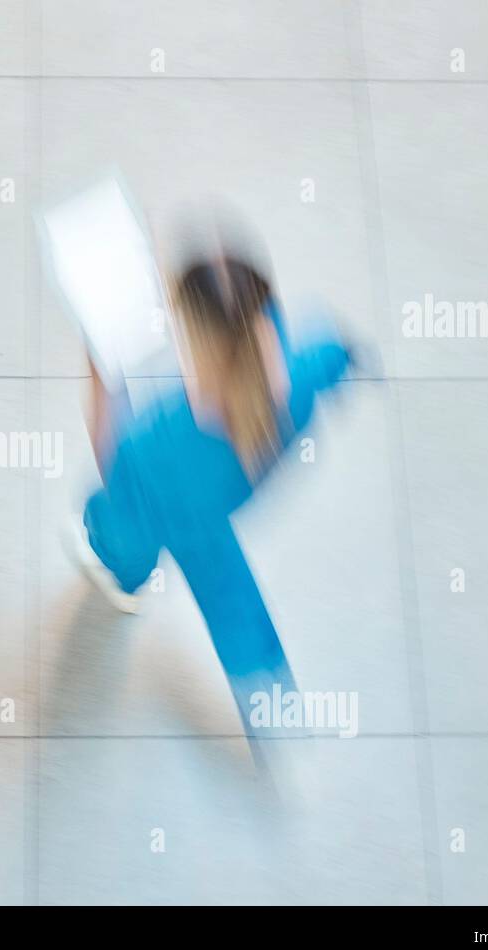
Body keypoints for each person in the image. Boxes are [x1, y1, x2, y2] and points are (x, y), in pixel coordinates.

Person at [69, 250, 355, 743]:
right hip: (223, 497)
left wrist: (99, 374)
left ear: (196, 343)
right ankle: (269, 697)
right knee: (226, 587)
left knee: (117, 530)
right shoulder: (301, 368)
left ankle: (128, 582)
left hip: (164, 500)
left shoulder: (161, 438)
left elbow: (114, 465)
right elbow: (334, 352)